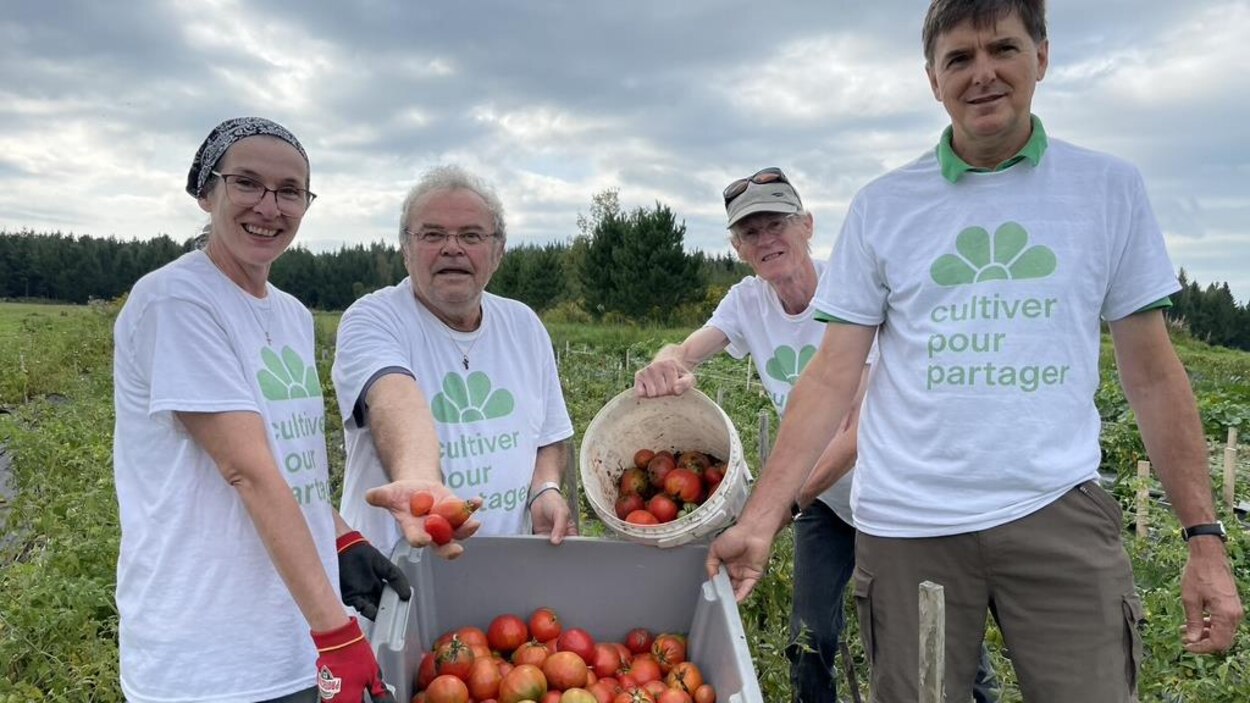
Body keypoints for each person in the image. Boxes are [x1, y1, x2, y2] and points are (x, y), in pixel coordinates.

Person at [707, 2, 1244, 701]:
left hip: (1056, 510)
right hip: (909, 527)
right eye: (959, 57)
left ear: (1041, 58)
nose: (982, 73)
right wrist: (760, 519)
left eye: (1004, 49)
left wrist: (1203, 537)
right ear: (932, 79)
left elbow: (1151, 373)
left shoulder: (1108, 190)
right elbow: (833, 374)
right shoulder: (884, 205)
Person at [113, 118, 461, 702]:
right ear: (206, 192)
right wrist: (337, 634)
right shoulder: (178, 301)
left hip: (290, 638)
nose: (269, 207)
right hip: (210, 655)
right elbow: (245, 470)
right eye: (246, 183)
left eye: (290, 191)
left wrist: (340, 538)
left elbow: (287, 464)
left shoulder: (292, 315)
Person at [635, 168, 997, 703]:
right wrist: (666, 364)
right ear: (738, 248)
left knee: (934, 641)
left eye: (776, 223)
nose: (767, 239)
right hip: (824, 504)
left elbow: (859, 431)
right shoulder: (746, 301)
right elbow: (686, 350)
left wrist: (783, 504)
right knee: (810, 639)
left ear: (806, 225)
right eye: (751, 232)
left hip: (895, 500)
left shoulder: (852, 293)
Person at [333, 164, 575, 553]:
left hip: (500, 570)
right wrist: (420, 482)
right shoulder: (375, 318)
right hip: (398, 572)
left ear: (498, 251)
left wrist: (543, 488)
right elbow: (393, 398)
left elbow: (549, 436)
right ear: (406, 249)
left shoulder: (524, 325)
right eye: (432, 234)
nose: (452, 247)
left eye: (471, 235)